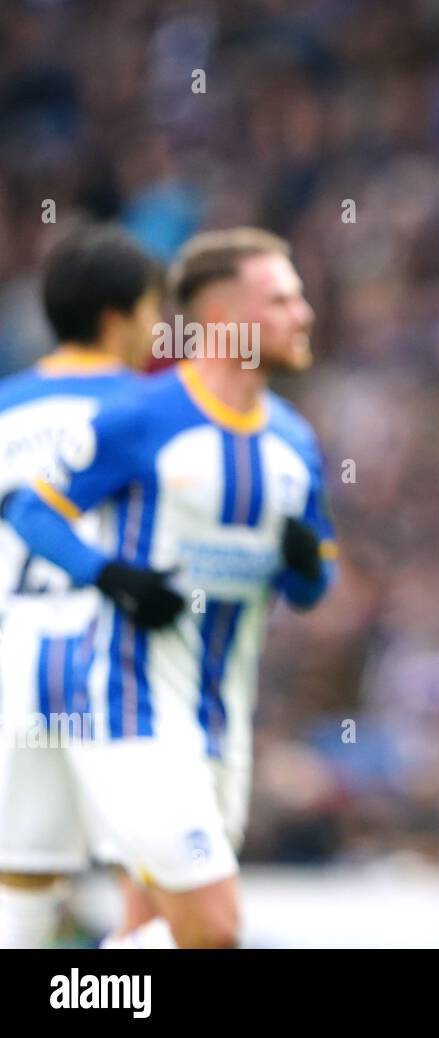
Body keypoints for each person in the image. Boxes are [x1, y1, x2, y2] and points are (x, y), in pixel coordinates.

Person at [2, 228, 336, 948]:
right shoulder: (142, 412)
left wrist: (305, 566)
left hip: (212, 718)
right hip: (122, 699)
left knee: (149, 922)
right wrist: (109, 576)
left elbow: (314, 587)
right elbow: (32, 509)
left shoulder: (292, 441)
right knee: (208, 924)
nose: (305, 313)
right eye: (282, 299)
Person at [0, 226, 161, 948]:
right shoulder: (161, 410)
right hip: (125, 671)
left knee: (23, 880)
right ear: (116, 317)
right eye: (155, 310)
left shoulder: (5, 409)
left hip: (15, 671)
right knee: (158, 874)